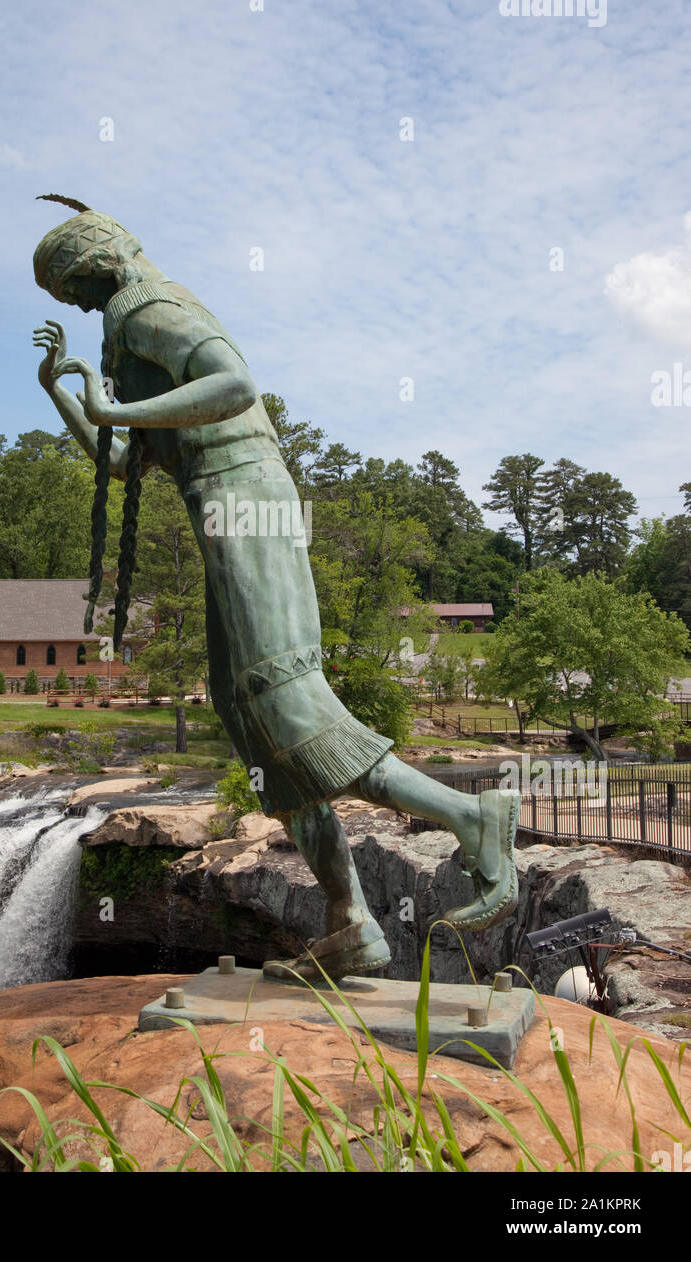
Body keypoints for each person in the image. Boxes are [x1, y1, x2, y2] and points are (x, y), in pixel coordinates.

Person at [32, 197, 520, 982]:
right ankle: (350, 921)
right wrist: (63, 393)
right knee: (254, 717)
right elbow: (125, 464)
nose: (78, 306)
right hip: (219, 512)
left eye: (74, 290)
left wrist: (112, 404)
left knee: (288, 701)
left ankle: (475, 816)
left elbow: (232, 383)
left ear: (99, 263)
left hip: (246, 499)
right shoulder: (124, 335)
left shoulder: (151, 306)